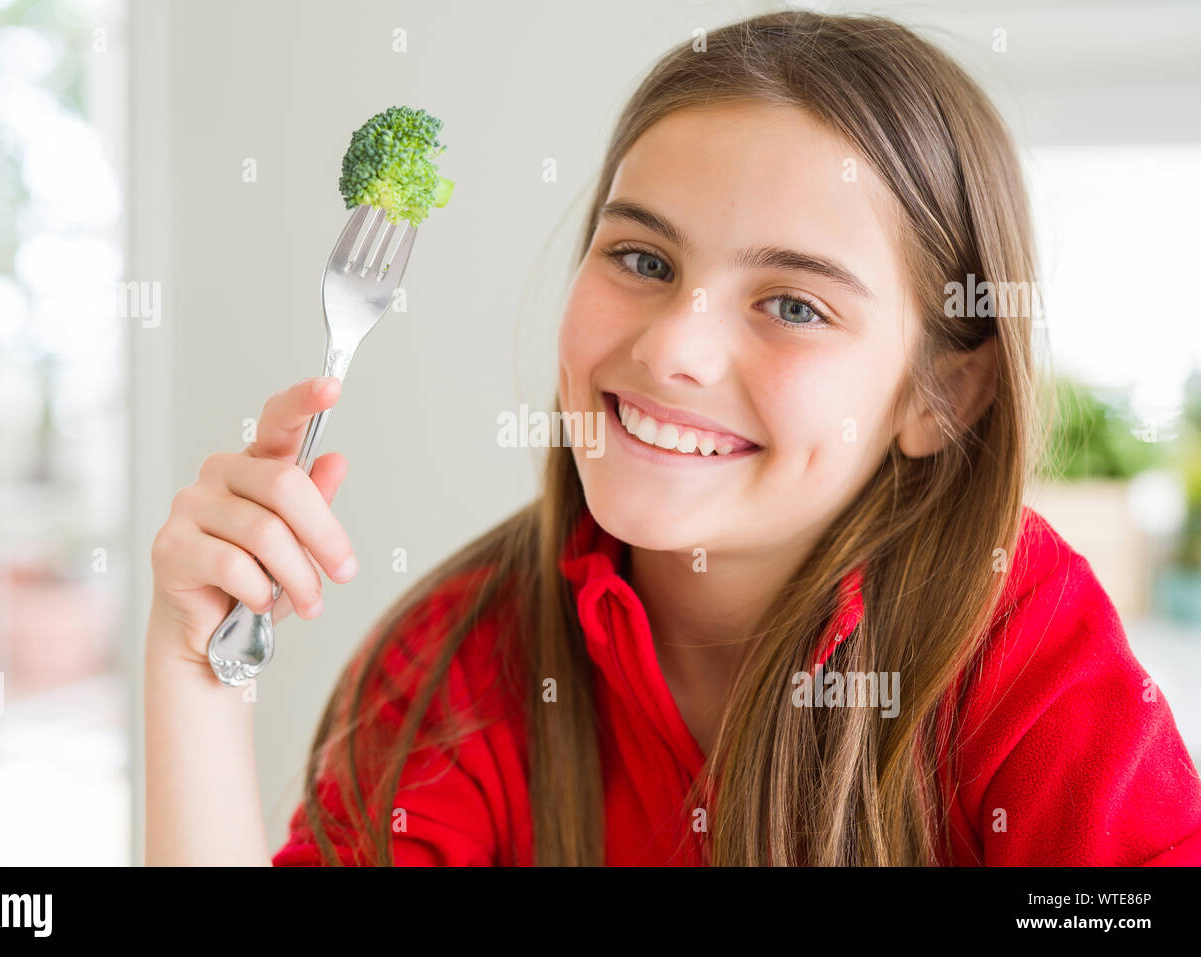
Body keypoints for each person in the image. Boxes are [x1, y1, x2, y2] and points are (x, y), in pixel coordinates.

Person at [143, 10, 1201, 865]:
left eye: (792, 304)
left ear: (943, 396)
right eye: (643, 261)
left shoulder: (1021, 648)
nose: (674, 350)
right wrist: (196, 670)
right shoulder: (465, 660)